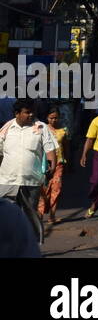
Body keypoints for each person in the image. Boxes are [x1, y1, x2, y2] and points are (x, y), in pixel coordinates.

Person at [0, 98, 57, 244]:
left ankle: (33, 246)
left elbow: (50, 151)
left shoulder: (41, 127)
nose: (31, 115)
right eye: (27, 112)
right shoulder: (6, 128)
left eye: (33, 112)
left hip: (31, 181)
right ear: (17, 113)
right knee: (5, 215)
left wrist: (52, 167)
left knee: (30, 215)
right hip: (7, 180)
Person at [38, 107, 69, 230]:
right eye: (51, 118)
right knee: (44, 191)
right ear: (47, 118)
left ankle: (52, 216)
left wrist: (68, 162)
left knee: (56, 189)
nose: (54, 120)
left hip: (59, 164)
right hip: (44, 165)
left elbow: (66, 148)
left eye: (56, 118)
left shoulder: (63, 131)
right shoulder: (41, 130)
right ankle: (39, 216)